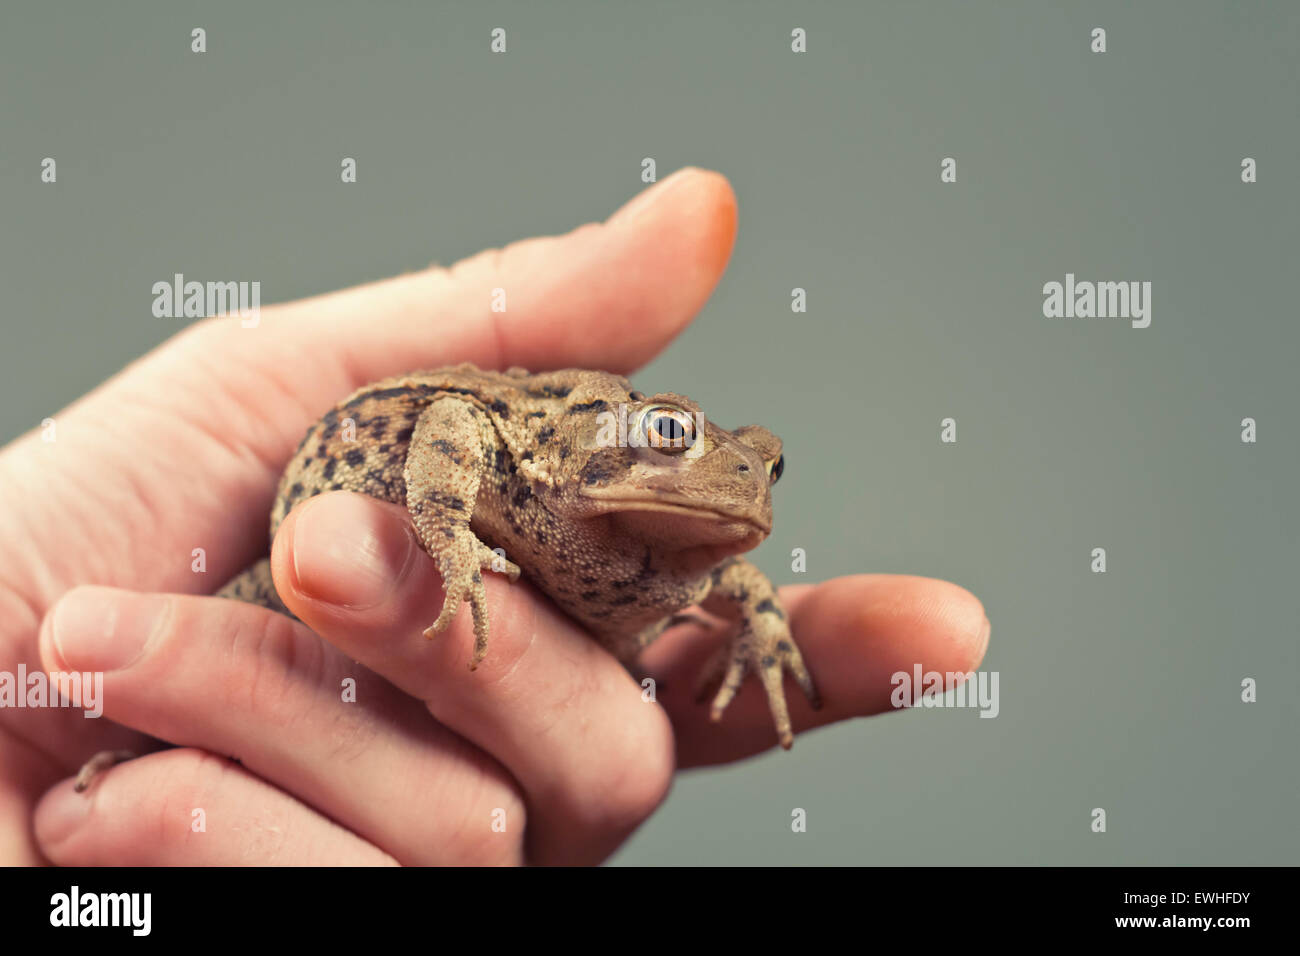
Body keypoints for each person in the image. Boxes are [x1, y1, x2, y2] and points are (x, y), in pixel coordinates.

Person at [0, 167, 989, 865]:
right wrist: (445, 535)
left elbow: (744, 585)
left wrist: (765, 636)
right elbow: (452, 418)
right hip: (294, 547)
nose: (742, 483)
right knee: (243, 630)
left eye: (768, 468)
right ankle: (124, 753)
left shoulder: (701, 560)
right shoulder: (530, 446)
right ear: (618, 430)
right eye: (668, 435)